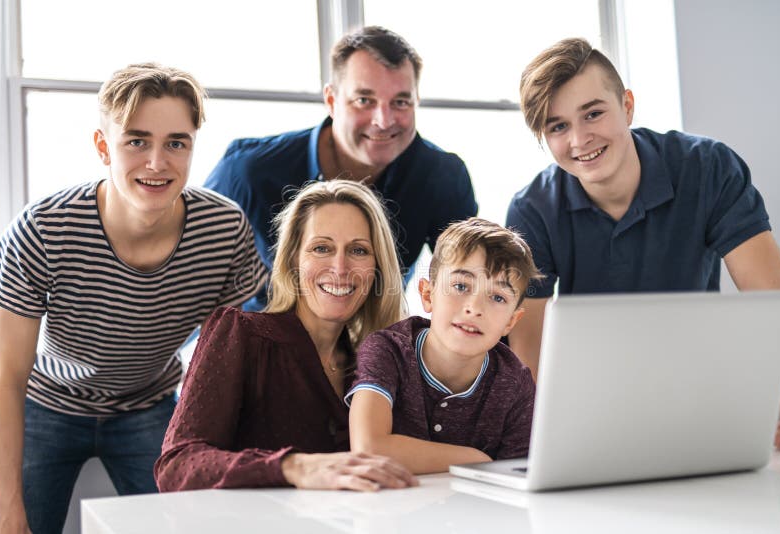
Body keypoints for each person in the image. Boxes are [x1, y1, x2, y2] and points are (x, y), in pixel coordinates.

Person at [0, 63, 267, 533]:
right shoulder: (43, 231)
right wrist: (10, 517)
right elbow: (5, 378)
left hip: (149, 404)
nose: (157, 162)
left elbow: (235, 356)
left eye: (176, 143)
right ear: (103, 147)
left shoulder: (223, 229)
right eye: (137, 141)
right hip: (46, 405)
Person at [505, 38, 780, 449]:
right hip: (592, 411)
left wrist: (778, 396)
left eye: (594, 113)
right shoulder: (532, 209)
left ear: (628, 106)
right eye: (558, 126)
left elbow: (772, 301)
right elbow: (529, 352)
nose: (580, 140)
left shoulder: (709, 168)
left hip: (705, 397)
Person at [154, 180, 417, 492]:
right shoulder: (241, 333)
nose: (340, 267)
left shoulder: (375, 362)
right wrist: (294, 466)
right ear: (294, 259)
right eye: (322, 248)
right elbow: (177, 466)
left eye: (358, 250)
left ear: (377, 268)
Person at [204, 25, 477, 310]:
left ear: (416, 102)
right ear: (332, 101)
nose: (383, 121)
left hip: (372, 345)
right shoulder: (248, 171)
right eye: (364, 100)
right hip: (256, 345)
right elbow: (190, 276)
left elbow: (470, 285)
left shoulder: (442, 176)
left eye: (400, 102)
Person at [346, 218, 541, 474]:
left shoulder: (516, 384)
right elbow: (368, 448)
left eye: (497, 297)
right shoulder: (388, 350)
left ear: (511, 322)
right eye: (461, 286)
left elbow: (516, 480)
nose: (474, 307)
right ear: (428, 295)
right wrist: (476, 460)